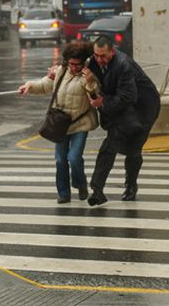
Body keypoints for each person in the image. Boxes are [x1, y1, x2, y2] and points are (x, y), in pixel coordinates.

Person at [18, 41, 101, 203]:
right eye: (71, 64)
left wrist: (90, 82)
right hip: (60, 124)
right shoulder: (61, 71)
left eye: (78, 64)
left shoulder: (88, 75)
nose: (74, 68)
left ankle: (80, 184)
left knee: (74, 157)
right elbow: (45, 85)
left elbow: (95, 96)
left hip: (80, 123)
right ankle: (63, 193)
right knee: (60, 159)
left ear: (84, 62)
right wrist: (29, 86)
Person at [85, 35, 160, 206]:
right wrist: (56, 72)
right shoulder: (94, 60)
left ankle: (131, 185)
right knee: (109, 147)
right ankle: (97, 190)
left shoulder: (124, 65)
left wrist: (102, 102)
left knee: (133, 150)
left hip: (143, 109)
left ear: (112, 52)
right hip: (119, 108)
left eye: (103, 56)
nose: (99, 59)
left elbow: (129, 97)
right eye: (96, 55)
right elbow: (73, 60)